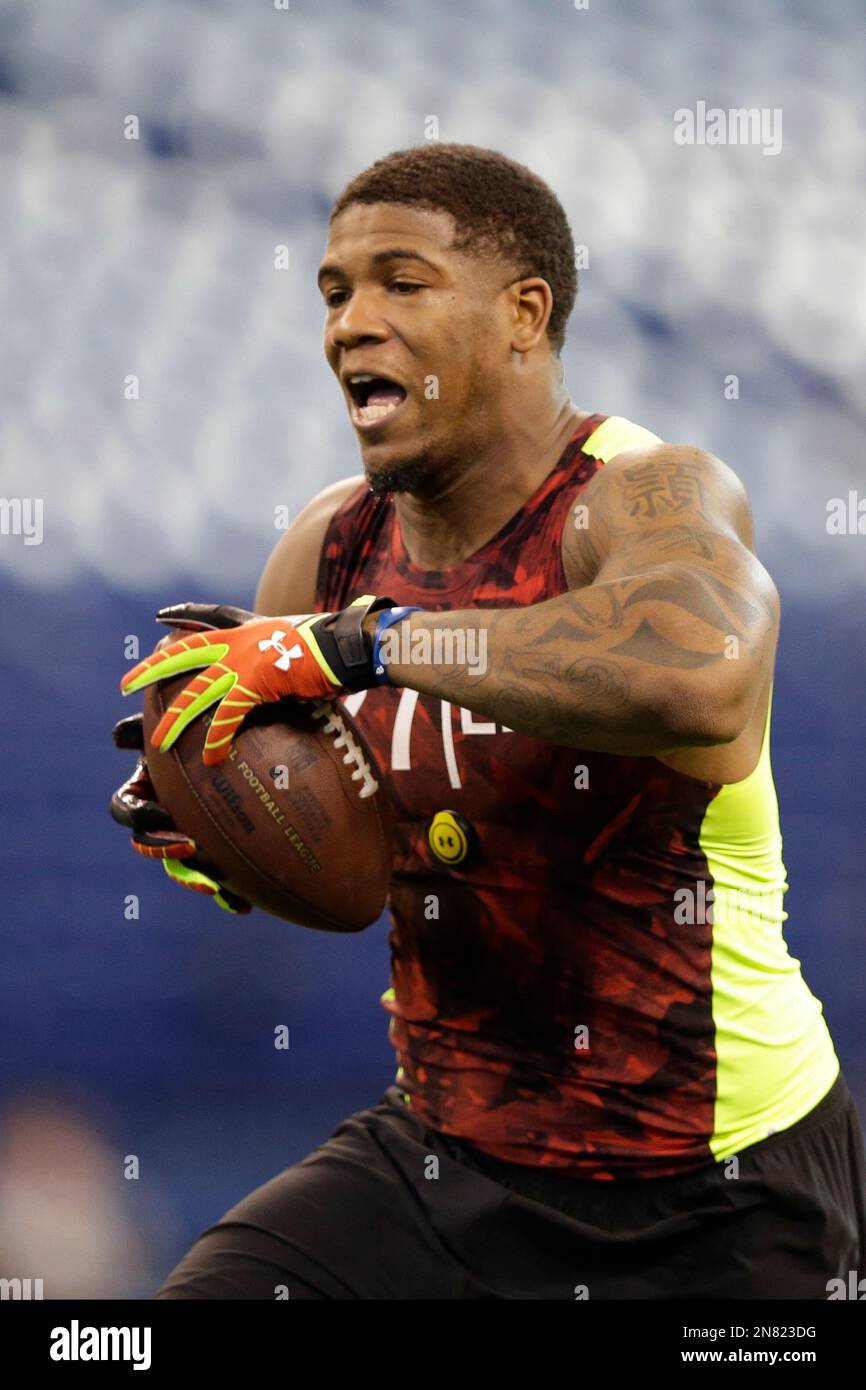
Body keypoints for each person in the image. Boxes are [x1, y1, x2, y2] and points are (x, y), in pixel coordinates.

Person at [112, 143, 865, 1299]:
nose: (350, 324)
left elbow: (699, 671)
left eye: (399, 282)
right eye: (333, 292)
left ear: (524, 315)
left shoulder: (642, 495)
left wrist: (366, 642)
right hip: (444, 1160)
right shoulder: (327, 549)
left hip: (720, 1187)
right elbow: (357, 870)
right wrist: (221, 823)